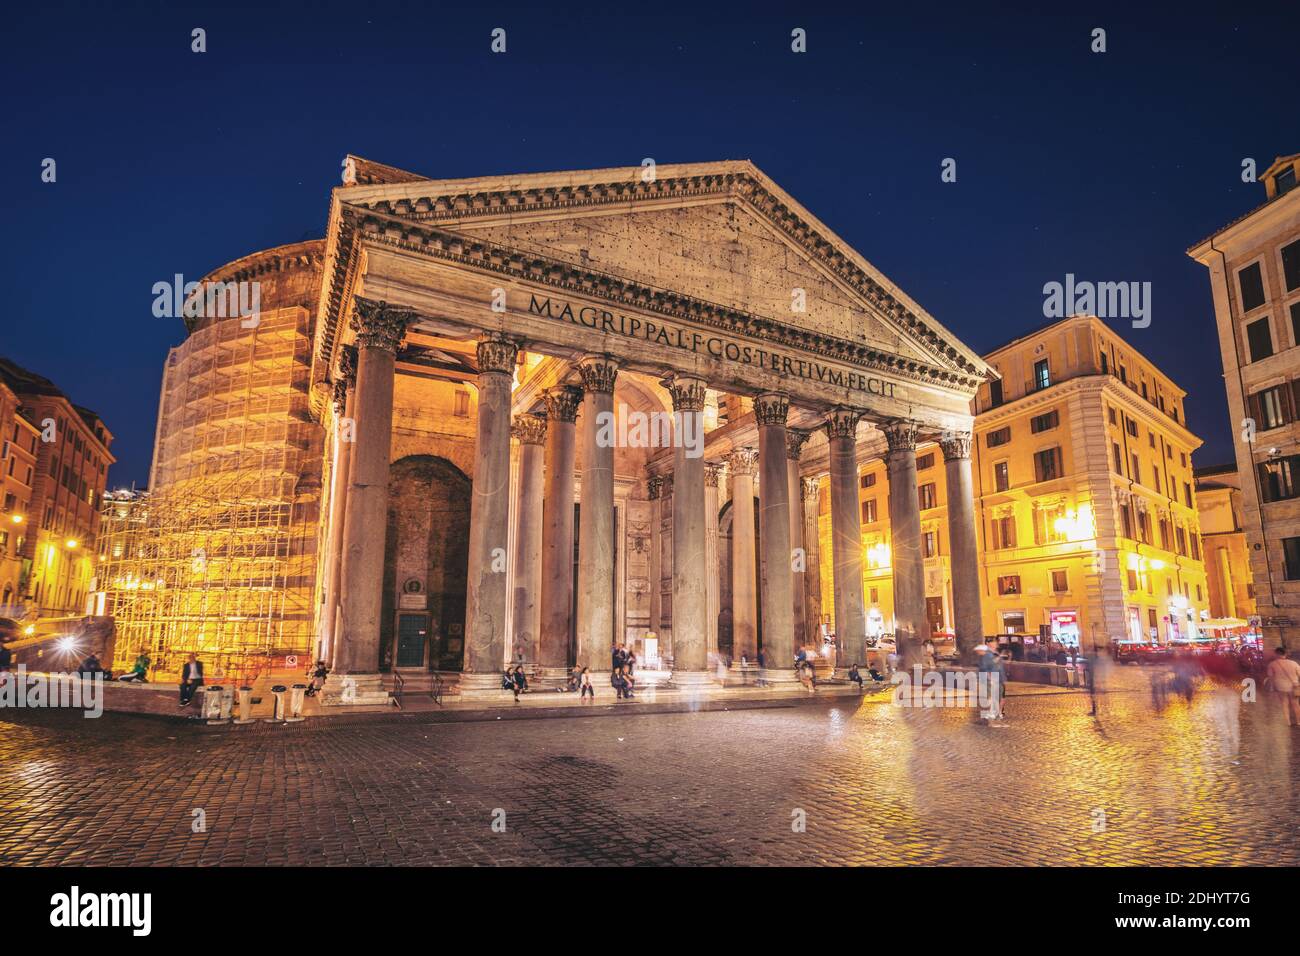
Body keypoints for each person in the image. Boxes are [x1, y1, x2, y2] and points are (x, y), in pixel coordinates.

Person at [1264, 647, 1300, 727]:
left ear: (1276, 654)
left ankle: (1288, 722)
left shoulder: (1272, 664)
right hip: (1293, 687)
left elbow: (1270, 677)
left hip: (1280, 687)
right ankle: (1298, 722)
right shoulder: (1293, 663)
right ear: (1285, 654)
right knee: (1296, 704)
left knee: (1284, 704)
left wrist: (1272, 687)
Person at [976, 644, 1006, 726]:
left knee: (996, 698)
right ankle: (990, 719)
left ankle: (994, 717)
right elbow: (986, 669)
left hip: (997, 679)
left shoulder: (991, 655)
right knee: (991, 699)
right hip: (992, 680)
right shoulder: (987, 656)